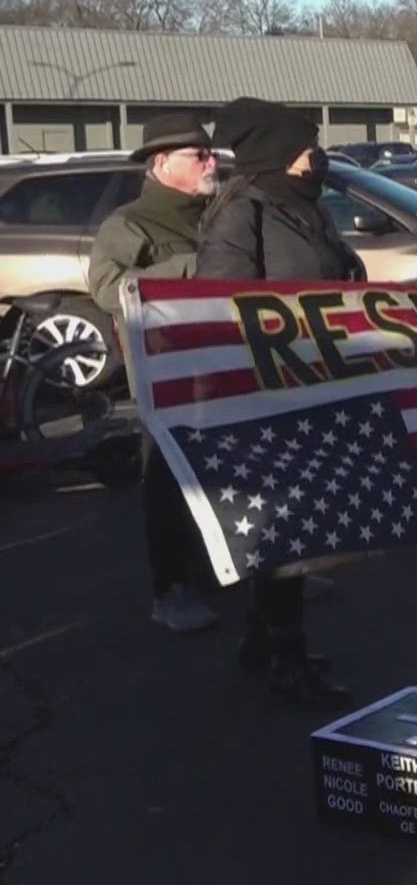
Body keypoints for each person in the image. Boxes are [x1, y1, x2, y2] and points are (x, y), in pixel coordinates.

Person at [198, 96, 363, 704]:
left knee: (295, 526)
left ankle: (262, 640)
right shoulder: (244, 212)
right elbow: (219, 304)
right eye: (305, 149)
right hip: (268, 394)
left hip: (316, 385)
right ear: (275, 153)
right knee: (283, 530)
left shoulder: (302, 207)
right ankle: (287, 659)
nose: (315, 159)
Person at [87, 113, 221, 633]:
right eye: (198, 156)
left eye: (209, 154)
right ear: (162, 164)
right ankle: (171, 590)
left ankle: (247, 575)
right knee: (169, 482)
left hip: (221, 366)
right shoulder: (130, 223)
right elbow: (106, 288)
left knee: (232, 474)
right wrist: (186, 269)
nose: (210, 163)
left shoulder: (218, 214)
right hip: (166, 375)